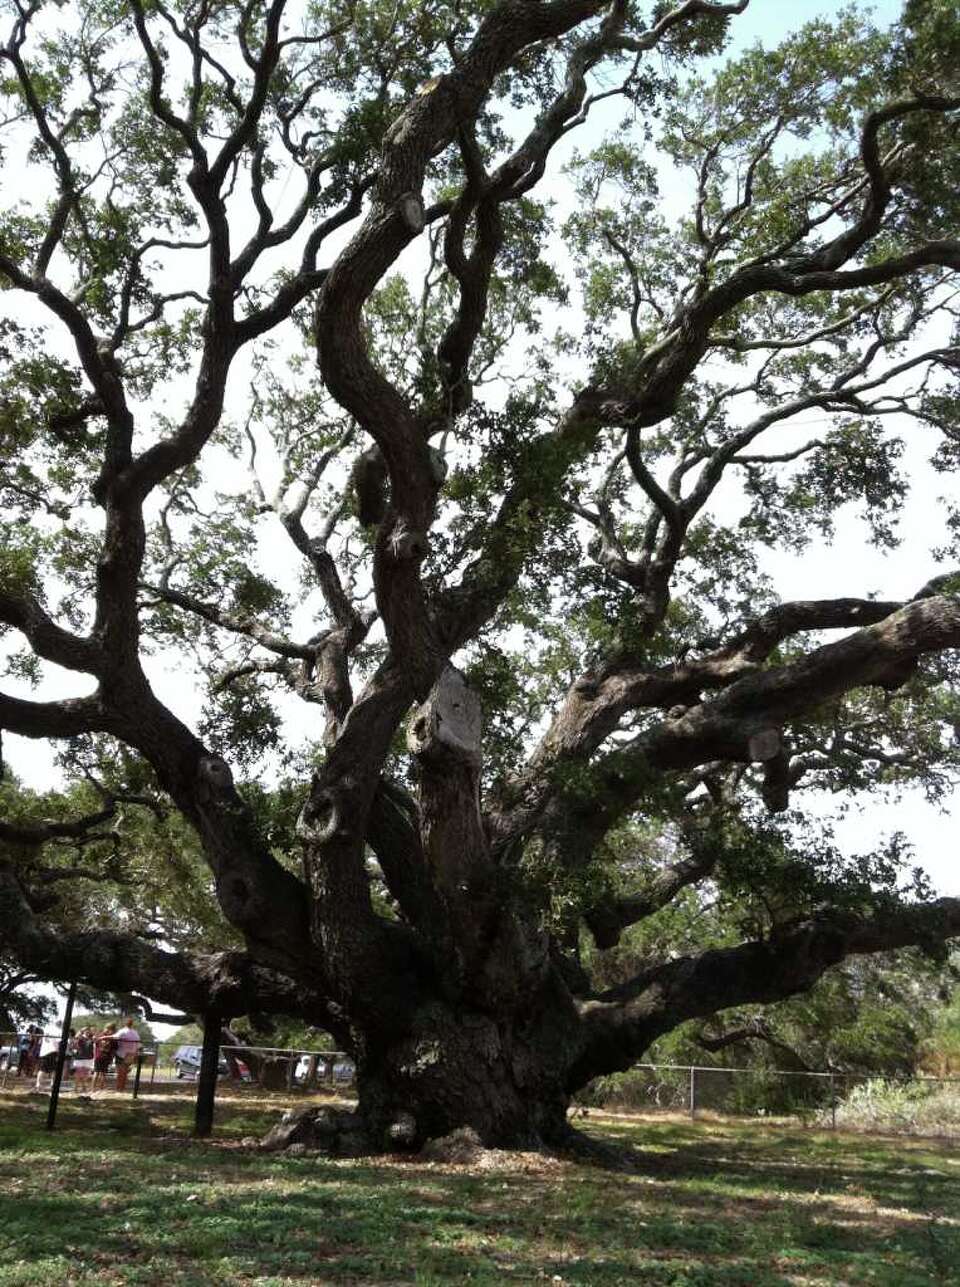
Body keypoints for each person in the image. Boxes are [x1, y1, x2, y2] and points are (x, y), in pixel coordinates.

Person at [114, 1017, 141, 1092]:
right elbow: (138, 1044)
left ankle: (119, 1088)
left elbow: (114, 1037)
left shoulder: (122, 1031)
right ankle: (122, 1087)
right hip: (130, 1054)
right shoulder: (135, 1032)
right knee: (125, 1072)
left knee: (120, 1072)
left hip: (121, 1053)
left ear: (124, 1023)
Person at [92, 1023, 117, 1091]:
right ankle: (98, 1088)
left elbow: (95, 1042)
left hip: (100, 1056)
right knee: (101, 1073)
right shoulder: (112, 1038)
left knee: (98, 1073)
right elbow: (114, 1050)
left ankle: (95, 1088)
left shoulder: (100, 1036)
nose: (107, 1030)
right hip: (103, 1056)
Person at [72, 1026, 95, 1093]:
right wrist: (80, 1032)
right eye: (85, 1030)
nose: (87, 1031)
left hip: (88, 1058)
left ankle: (83, 1087)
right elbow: (75, 1039)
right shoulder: (80, 1037)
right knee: (78, 1073)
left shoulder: (91, 1038)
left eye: (88, 1030)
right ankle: (75, 1088)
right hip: (79, 1058)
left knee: (85, 1074)